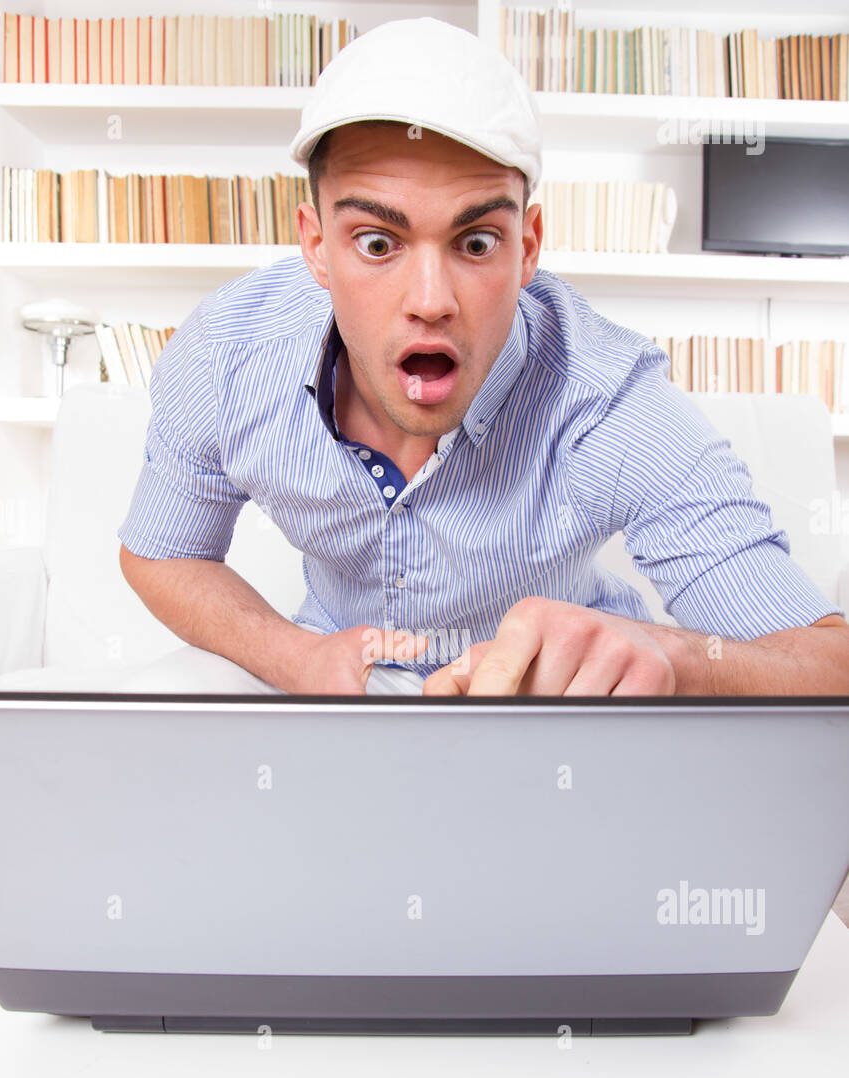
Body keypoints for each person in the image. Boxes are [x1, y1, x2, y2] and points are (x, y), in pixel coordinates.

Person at [117, 17, 849, 697]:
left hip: (562, 722)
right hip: (338, 712)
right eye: (378, 242)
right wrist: (297, 658)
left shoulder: (610, 403)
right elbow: (161, 552)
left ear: (527, 247)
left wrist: (677, 656)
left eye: (475, 243)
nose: (430, 300)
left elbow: (828, 660)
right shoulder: (227, 355)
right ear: (315, 245)